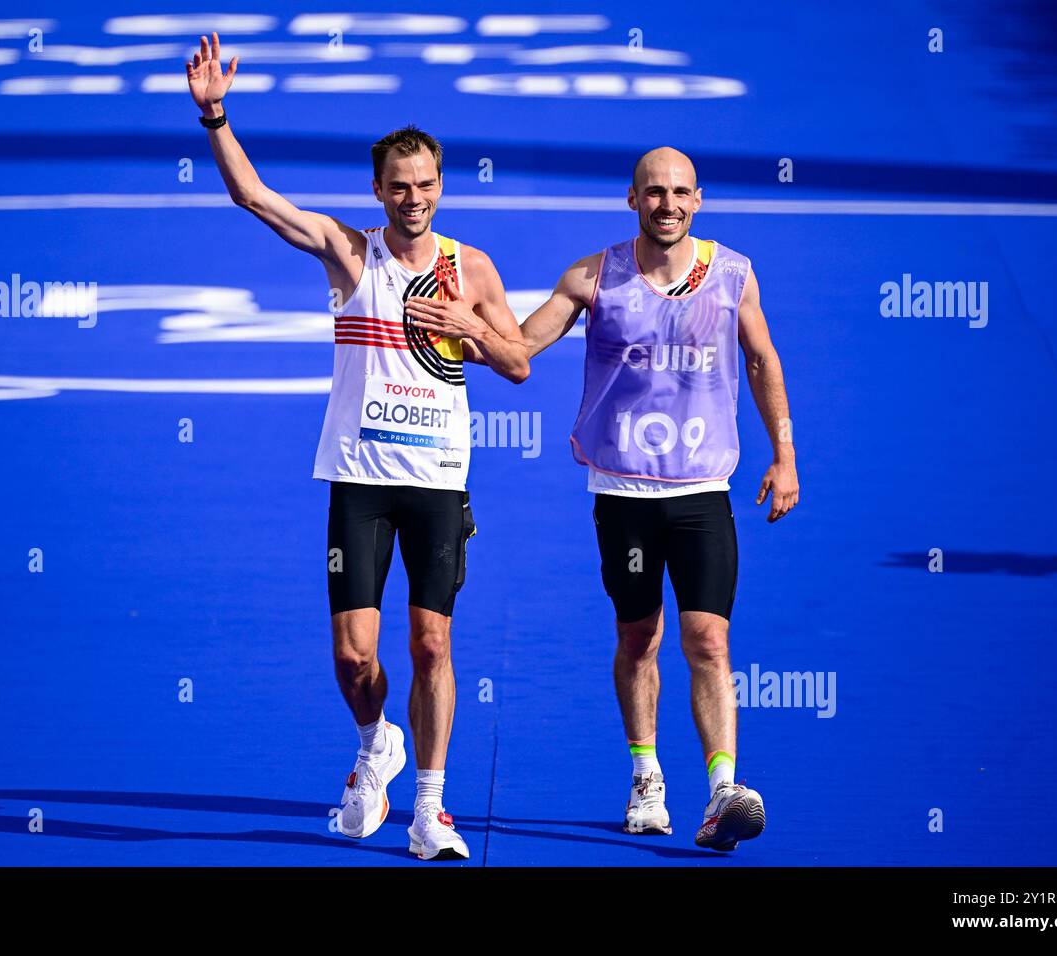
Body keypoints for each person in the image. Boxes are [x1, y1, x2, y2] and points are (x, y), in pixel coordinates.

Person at [187, 33, 529, 861]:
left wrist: (470, 327)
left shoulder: (471, 268)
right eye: (399, 186)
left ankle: (432, 808)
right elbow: (254, 198)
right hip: (359, 479)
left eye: (426, 184)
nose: (413, 198)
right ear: (379, 190)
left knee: (433, 642)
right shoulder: (351, 254)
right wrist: (215, 116)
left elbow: (518, 362)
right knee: (354, 654)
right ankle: (377, 741)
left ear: (441, 187)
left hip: (439, 482)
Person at [517, 146, 799, 850]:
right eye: (653, 192)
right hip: (624, 490)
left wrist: (785, 453)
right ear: (632, 199)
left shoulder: (734, 273)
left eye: (679, 193)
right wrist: (460, 335)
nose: (666, 204)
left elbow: (763, 359)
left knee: (709, 637)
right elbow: (522, 347)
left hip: (703, 488)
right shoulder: (595, 276)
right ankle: (646, 777)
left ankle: (722, 790)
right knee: (639, 637)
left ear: (696, 200)